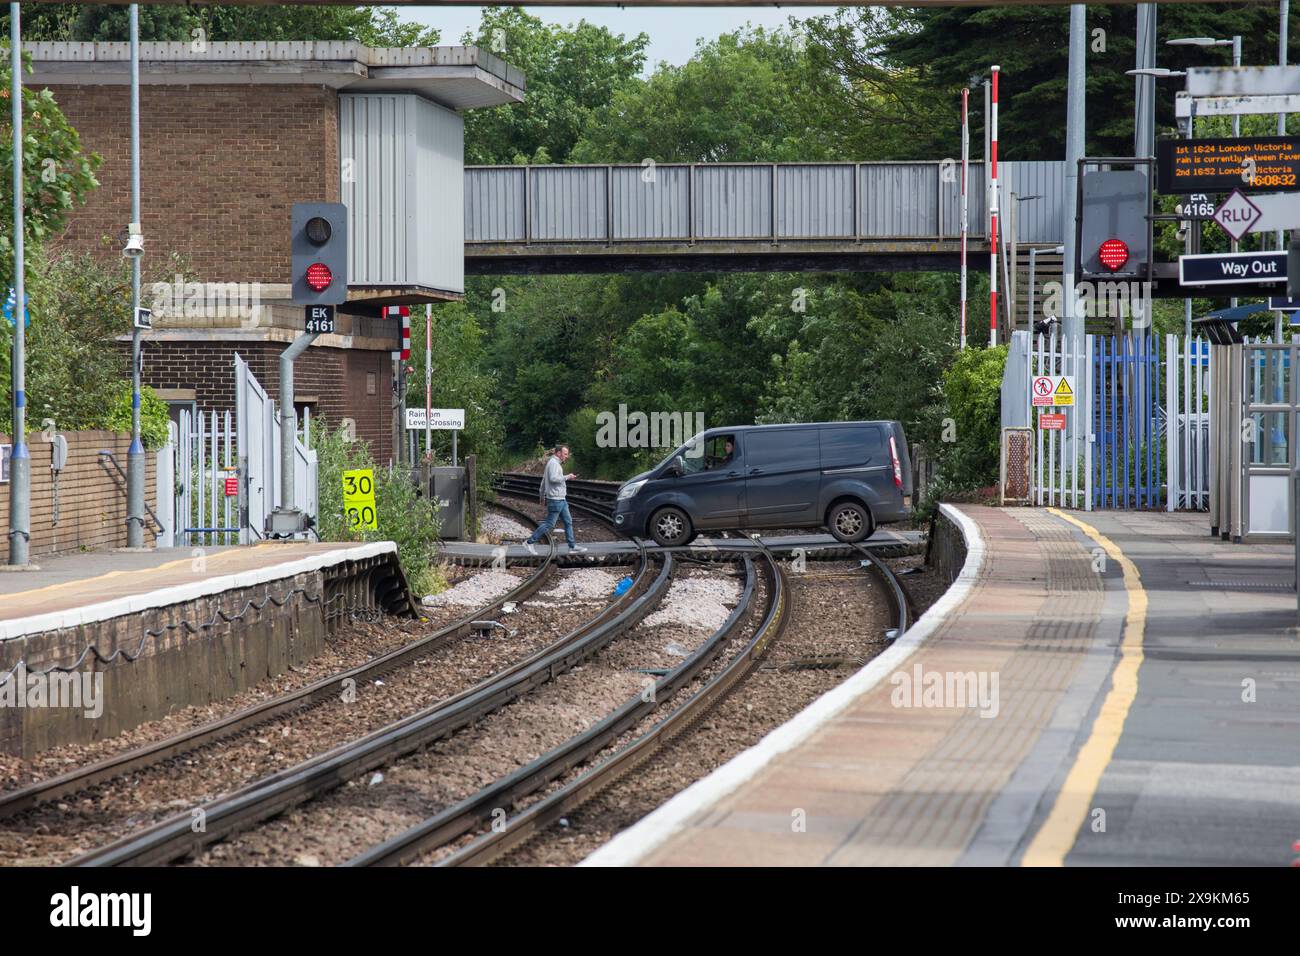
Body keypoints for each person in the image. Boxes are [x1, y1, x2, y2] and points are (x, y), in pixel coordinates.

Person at [524, 445, 586, 554]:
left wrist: (541, 495)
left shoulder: (553, 464)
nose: (567, 456)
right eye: (565, 454)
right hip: (555, 500)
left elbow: (543, 481)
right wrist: (568, 477)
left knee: (568, 521)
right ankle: (529, 542)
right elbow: (552, 479)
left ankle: (572, 546)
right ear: (558, 453)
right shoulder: (553, 464)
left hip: (561, 499)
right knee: (549, 524)